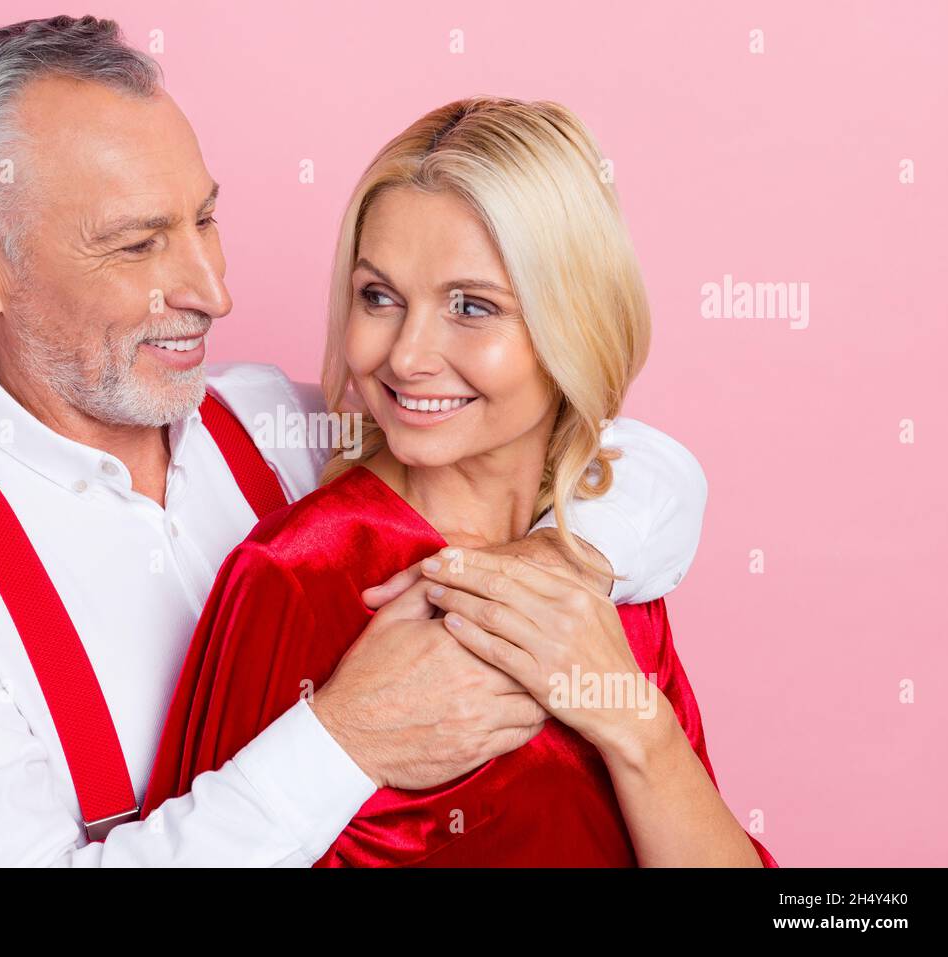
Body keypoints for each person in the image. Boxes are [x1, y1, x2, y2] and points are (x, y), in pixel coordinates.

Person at [0, 16, 708, 866]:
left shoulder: (276, 428)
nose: (210, 291)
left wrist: (572, 560)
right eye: (137, 244)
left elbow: (625, 459)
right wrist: (348, 737)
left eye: (203, 220)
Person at [143, 97, 776, 867]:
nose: (408, 355)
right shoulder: (295, 574)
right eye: (379, 297)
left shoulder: (597, 553)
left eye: (471, 306)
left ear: (572, 321)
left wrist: (639, 730)